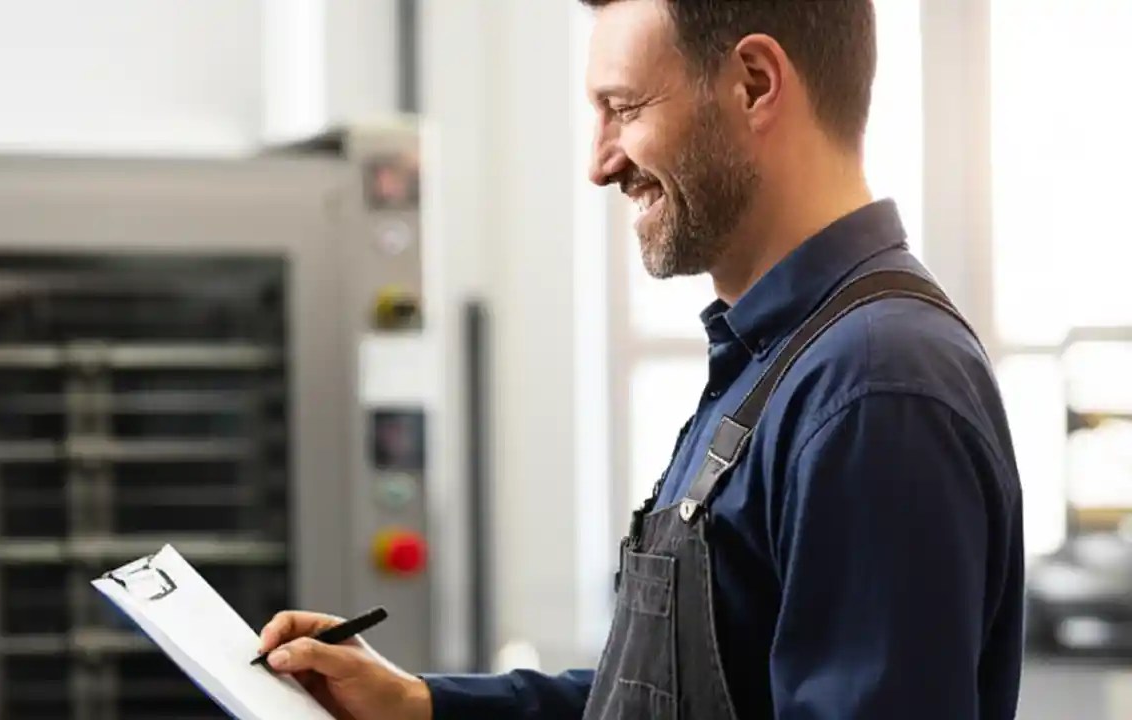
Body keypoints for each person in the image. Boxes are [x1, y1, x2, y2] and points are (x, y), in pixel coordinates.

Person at [257, 0, 1025, 718]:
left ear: (754, 84)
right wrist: (421, 705)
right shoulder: (779, 361)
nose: (600, 163)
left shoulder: (872, 387)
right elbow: (682, 689)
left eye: (622, 109)